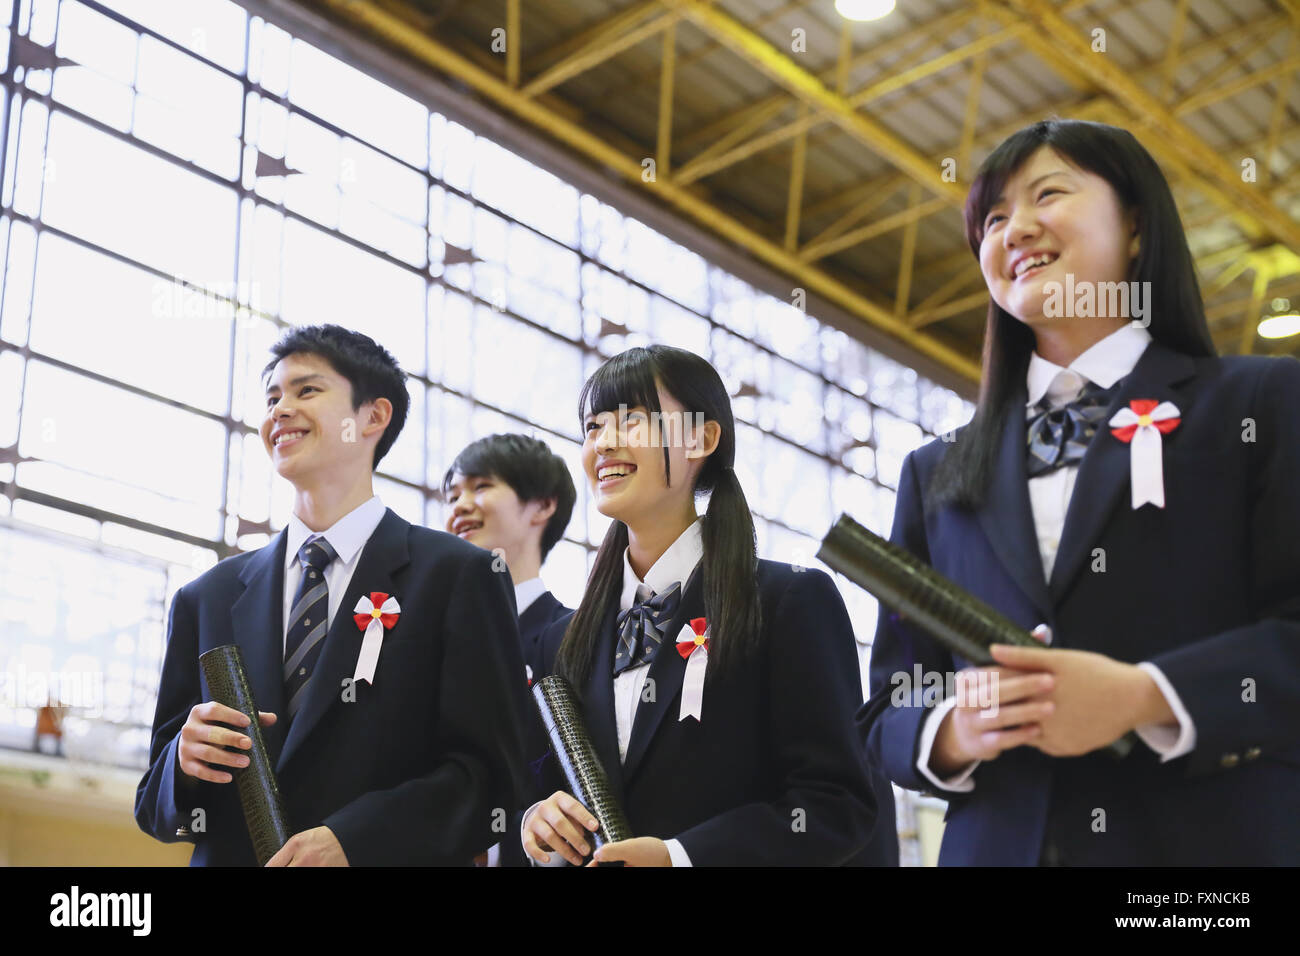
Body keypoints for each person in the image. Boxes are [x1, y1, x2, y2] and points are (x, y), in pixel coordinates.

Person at [857, 119, 1300, 865]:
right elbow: (886, 708)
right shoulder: (936, 471)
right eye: (992, 219)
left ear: (1134, 225)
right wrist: (956, 728)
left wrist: (1147, 696)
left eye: (1048, 194)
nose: (1016, 229)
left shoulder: (1262, 404)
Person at [135, 324, 533, 865]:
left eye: (306, 391)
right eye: (272, 397)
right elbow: (155, 811)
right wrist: (182, 762)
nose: (280, 410)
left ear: (373, 416)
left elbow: (490, 779)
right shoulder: (207, 597)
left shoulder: (458, 577)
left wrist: (358, 840)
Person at [519, 345, 876, 866]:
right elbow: (546, 785)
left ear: (702, 438)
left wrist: (679, 857)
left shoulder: (789, 601)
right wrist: (538, 820)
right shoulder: (562, 637)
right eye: (593, 427)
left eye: (632, 420)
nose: (604, 444)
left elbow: (835, 805)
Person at [442, 433, 576, 682]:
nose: (458, 506)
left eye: (481, 486)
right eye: (452, 497)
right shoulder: (434, 632)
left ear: (543, 506)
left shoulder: (576, 636)